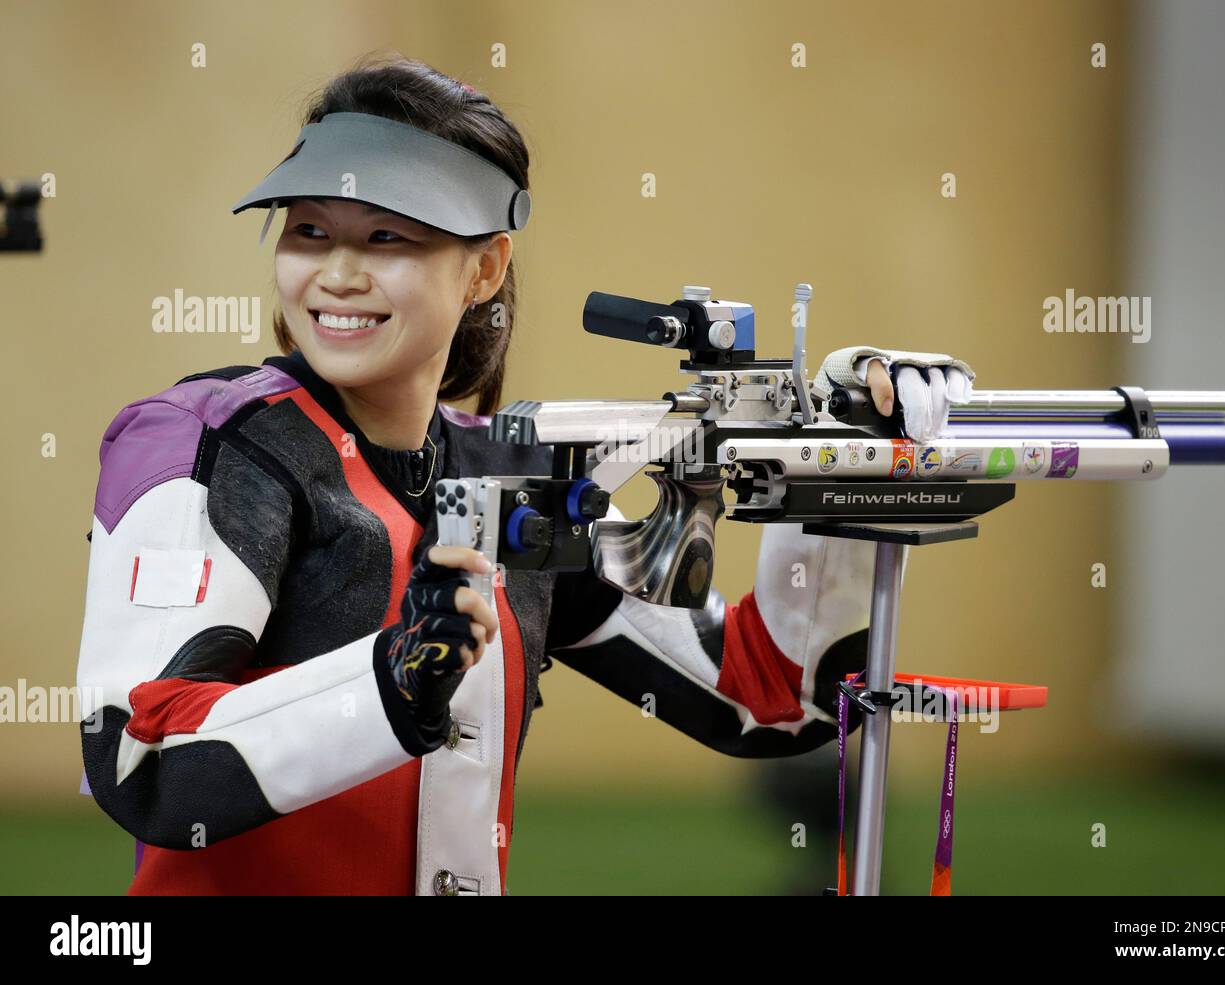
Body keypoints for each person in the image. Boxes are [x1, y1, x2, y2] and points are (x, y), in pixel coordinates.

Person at [75, 54, 972, 895]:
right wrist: (388, 683)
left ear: (485, 268)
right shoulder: (201, 446)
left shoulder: (512, 476)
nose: (337, 273)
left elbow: (770, 696)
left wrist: (848, 456)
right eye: (309, 231)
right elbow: (143, 758)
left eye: (387, 236)